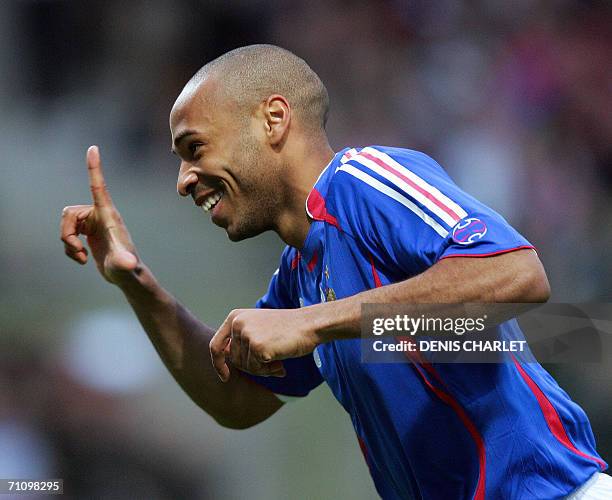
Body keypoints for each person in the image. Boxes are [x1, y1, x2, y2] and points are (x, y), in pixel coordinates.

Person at [60, 45, 609, 499]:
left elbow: (519, 274)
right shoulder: (301, 271)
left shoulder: (362, 181)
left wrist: (315, 323)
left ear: (273, 119)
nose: (183, 179)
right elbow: (237, 400)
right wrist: (134, 279)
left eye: (195, 148)